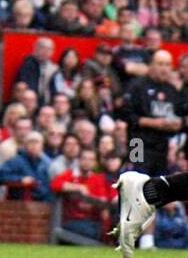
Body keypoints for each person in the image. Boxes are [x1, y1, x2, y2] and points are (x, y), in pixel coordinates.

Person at [121, 48, 187, 178]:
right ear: (151, 65)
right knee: (137, 179)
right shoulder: (137, 86)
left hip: (161, 144)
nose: (164, 68)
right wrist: (152, 122)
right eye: (160, 64)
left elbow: (180, 117)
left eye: (167, 65)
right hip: (137, 142)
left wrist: (178, 124)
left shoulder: (172, 91)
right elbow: (125, 114)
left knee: (158, 184)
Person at [50, 149, 115, 242]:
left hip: (93, 221)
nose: (87, 162)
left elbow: (103, 202)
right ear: (79, 160)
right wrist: (78, 187)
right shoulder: (70, 174)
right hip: (72, 221)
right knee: (93, 232)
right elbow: (55, 184)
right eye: (84, 159)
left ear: (95, 163)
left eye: (91, 160)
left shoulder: (98, 179)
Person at [0, 132, 53, 202]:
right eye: (30, 142)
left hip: (45, 202)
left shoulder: (47, 162)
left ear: (42, 146)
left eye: (37, 142)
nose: (34, 145)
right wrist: (20, 179)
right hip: (22, 204)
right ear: (25, 145)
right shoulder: (16, 161)